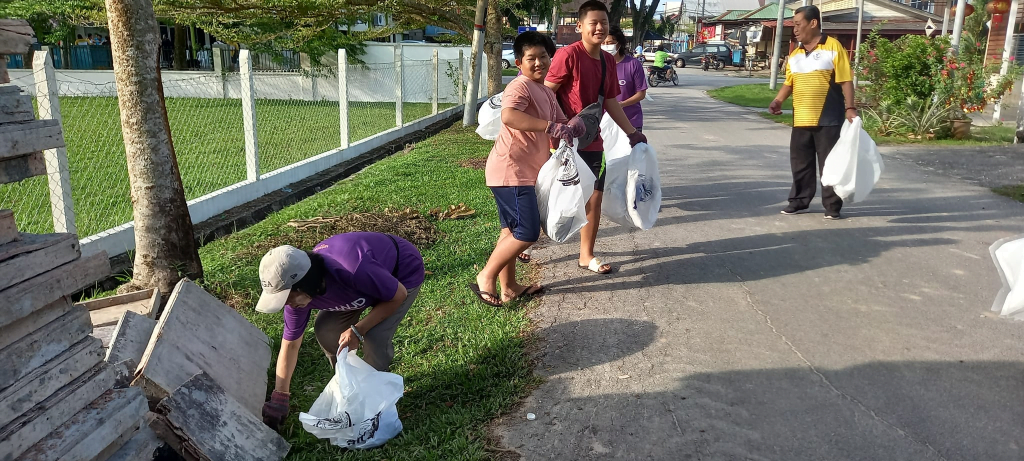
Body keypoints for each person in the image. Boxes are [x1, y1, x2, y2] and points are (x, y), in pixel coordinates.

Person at [255, 232, 425, 429]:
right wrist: (280, 395)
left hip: (400, 274)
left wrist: (358, 329)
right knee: (327, 330)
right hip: (359, 290)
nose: (288, 304)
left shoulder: (352, 269)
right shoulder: (298, 299)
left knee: (375, 336)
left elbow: (398, 295)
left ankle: (373, 401)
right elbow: (290, 344)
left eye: (288, 298)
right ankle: (348, 386)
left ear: (304, 285)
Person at [470, 31, 586, 307]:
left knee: (509, 232)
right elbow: (509, 116)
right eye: (531, 58)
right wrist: (548, 127)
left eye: (543, 57)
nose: (538, 63)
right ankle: (485, 276)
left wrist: (574, 125)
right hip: (511, 171)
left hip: (525, 172)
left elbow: (560, 122)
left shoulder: (545, 90)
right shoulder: (519, 86)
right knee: (527, 232)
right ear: (519, 62)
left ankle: (509, 288)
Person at [545, 0, 647, 275]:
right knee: (553, 194)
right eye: (594, 22)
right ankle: (525, 242)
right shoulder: (568, 55)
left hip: (592, 140)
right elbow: (546, 93)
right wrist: (554, 128)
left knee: (594, 197)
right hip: (563, 142)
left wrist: (632, 133)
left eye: (603, 22)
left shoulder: (606, 61)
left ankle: (586, 254)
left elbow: (611, 101)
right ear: (580, 27)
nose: (600, 27)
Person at [768, 5, 857, 220]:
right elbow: (789, 83)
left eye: (798, 24)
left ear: (813, 23)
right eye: (794, 25)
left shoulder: (834, 47)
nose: (795, 29)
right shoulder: (795, 54)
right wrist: (778, 100)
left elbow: (846, 80)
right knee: (800, 163)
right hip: (800, 118)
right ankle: (799, 201)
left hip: (829, 118)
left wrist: (850, 108)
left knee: (829, 164)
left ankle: (832, 206)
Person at [604, 26, 648, 132]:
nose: (605, 46)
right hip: (604, 122)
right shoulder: (597, 65)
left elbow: (641, 93)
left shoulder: (633, 64)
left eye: (610, 43)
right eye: (602, 43)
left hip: (631, 122)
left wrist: (621, 104)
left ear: (619, 43)